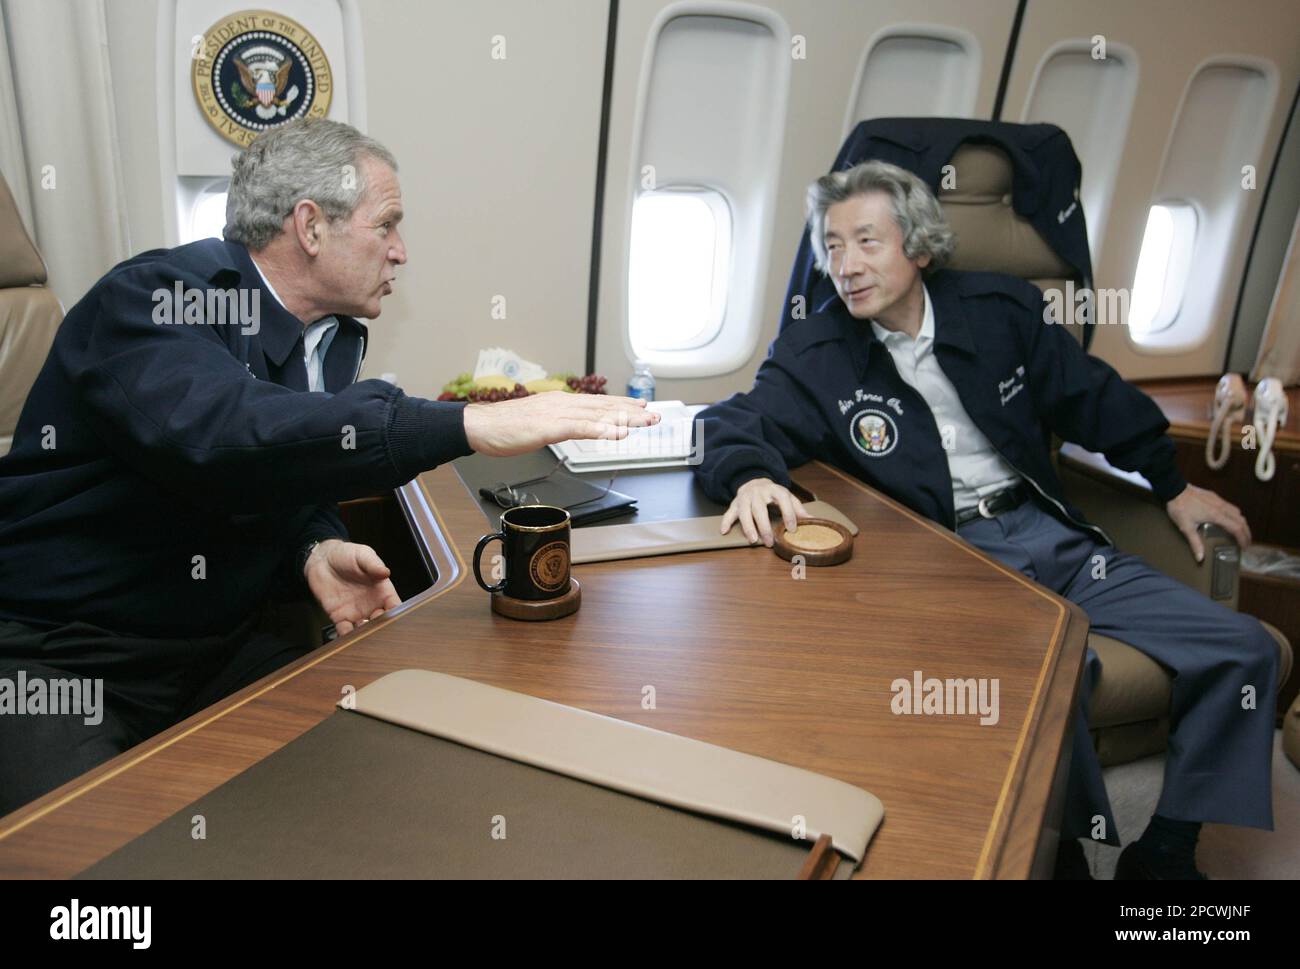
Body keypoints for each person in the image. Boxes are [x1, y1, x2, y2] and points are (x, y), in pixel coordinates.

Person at [0, 118, 655, 815]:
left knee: (380, 782)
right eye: (387, 226)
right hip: (66, 659)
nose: (401, 252)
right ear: (310, 227)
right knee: (91, 868)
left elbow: (289, 466)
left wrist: (311, 546)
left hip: (215, 645)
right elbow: (231, 435)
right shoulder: (153, 300)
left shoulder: (332, 339)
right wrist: (472, 422)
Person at [693, 159, 1277, 879]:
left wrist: (1172, 483)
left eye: (867, 241)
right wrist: (749, 470)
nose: (846, 264)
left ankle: (1165, 851)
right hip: (954, 558)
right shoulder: (818, 350)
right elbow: (730, 420)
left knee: (1244, 646)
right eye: (834, 246)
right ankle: (1058, 854)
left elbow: (1092, 397)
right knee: (1061, 671)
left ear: (920, 245)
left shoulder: (1002, 311)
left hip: (1047, 531)